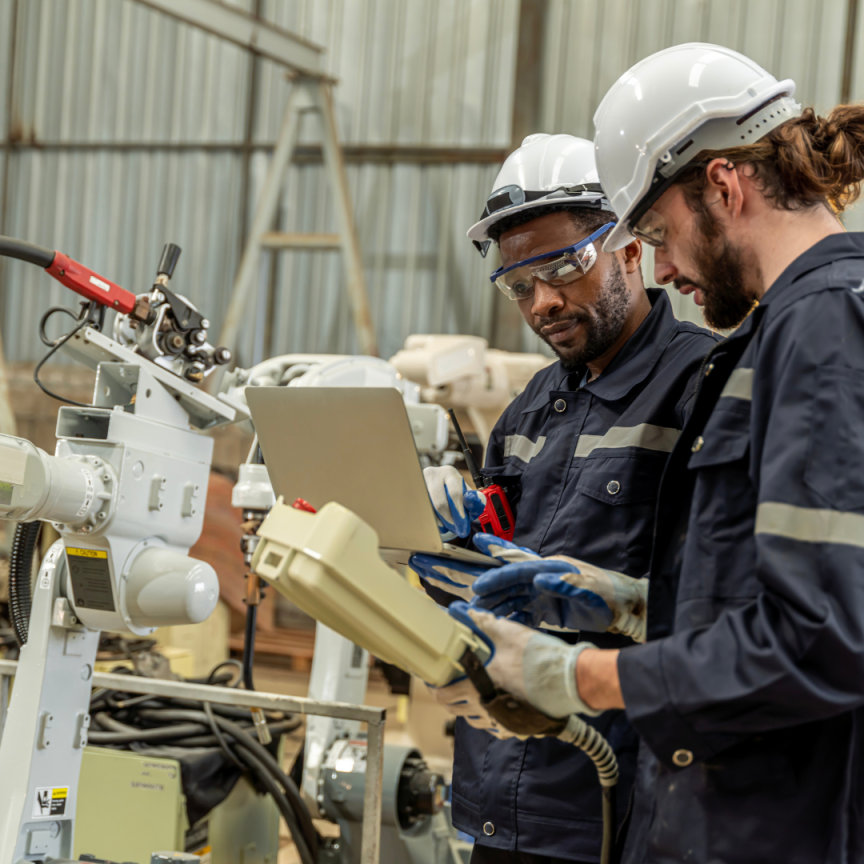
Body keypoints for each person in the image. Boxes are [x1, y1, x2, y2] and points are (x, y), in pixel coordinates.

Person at [452, 44, 864, 864]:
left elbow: (822, 636)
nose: (664, 265)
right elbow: (769, 587)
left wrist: (582, 678)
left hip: (768, 829)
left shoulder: (822, 326)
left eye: (656, 232)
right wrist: (634, 603)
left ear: (722, 184)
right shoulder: (776, 331)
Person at [412, 133, 718, 864]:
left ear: (632, 249)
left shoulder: (701, 389)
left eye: (564, 269)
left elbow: (724, 610)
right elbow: (489, 557)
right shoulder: (526, 410)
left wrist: (615, 601)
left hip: (617, 803)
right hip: (497, 792)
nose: (543, 302)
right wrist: (434, 546)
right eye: (520, 285)